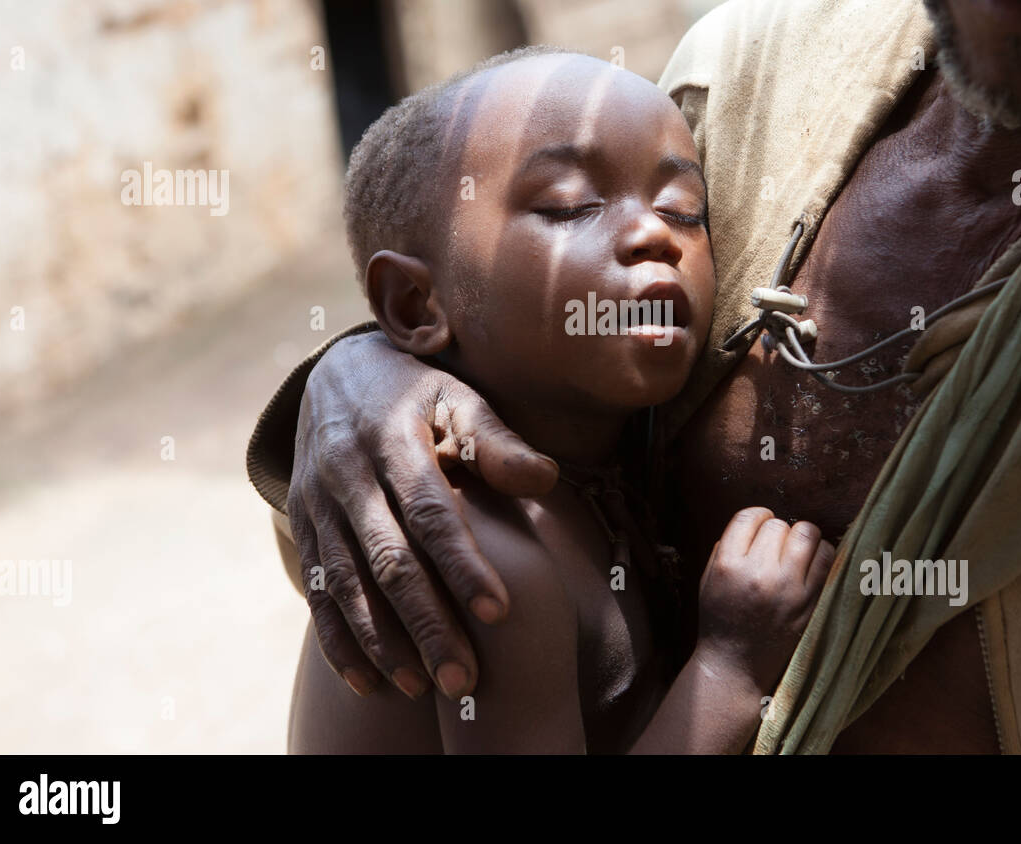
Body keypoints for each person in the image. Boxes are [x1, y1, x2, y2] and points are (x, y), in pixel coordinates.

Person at [249, 0, 1021, 753]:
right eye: (574, 204)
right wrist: (356, 378)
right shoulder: (755, 68)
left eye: (686, 211)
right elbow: (487, 300)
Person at [283, 46, 835, 753]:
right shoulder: (481, 551)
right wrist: (732, 668)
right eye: (569, 206)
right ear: (416, 302)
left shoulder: (611, 459)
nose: (651, 233)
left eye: (685, 210)